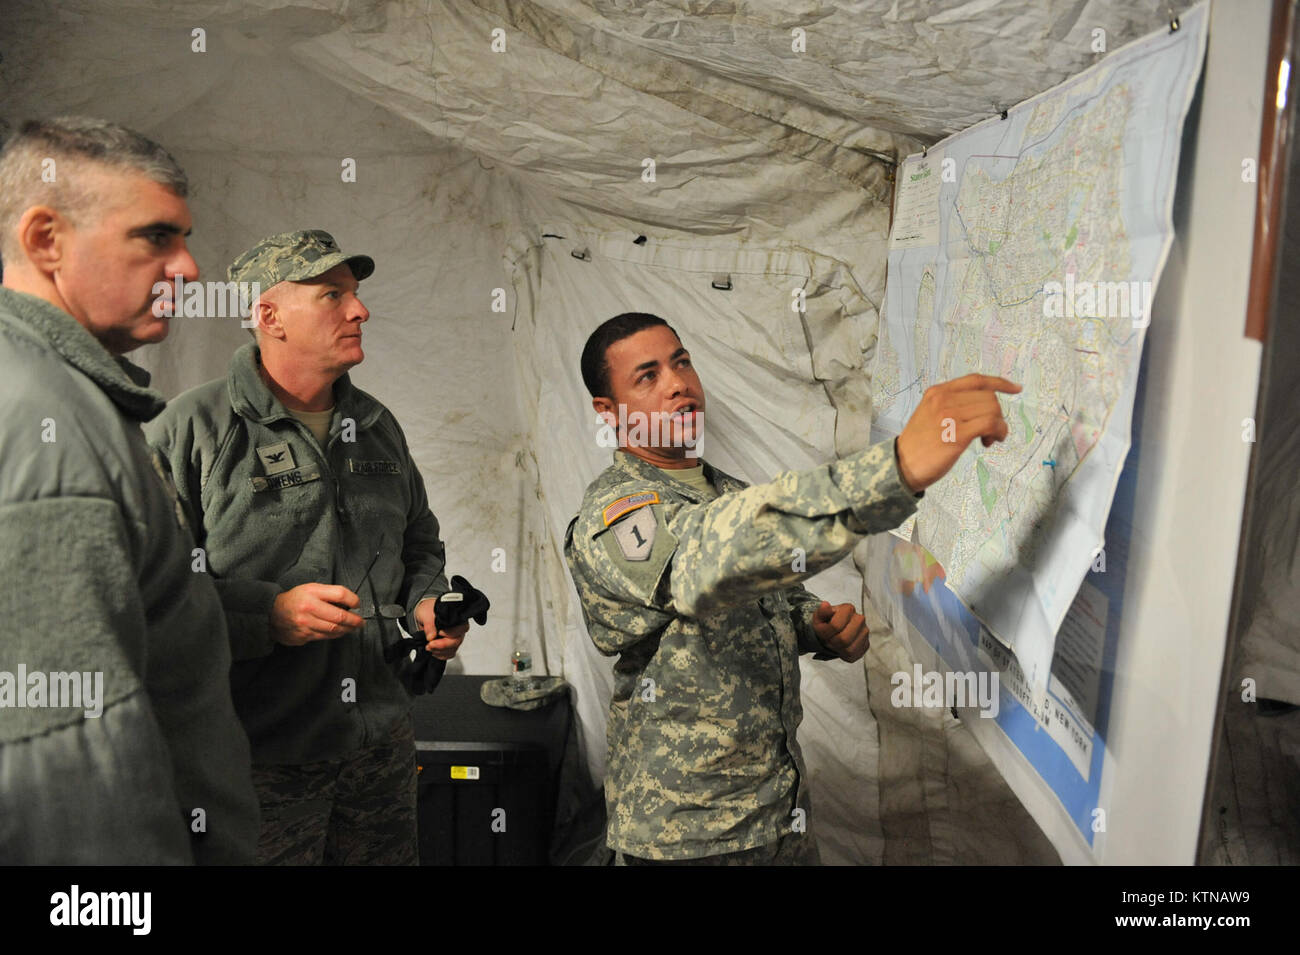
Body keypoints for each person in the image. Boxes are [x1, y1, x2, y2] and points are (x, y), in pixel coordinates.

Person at [564, 312, 1020, 864]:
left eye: (680, 361)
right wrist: (896, 467)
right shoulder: (614, 516)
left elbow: (752, 595)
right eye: (647, 376)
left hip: (778, 817)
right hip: (687, 838)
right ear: (607, 413)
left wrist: (813, 625)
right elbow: (709, 564)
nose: (678, 382)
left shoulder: (721, 490)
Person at [147, 230, 471, 865]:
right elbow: (151, 591)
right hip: (254, 753)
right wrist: (267, 614)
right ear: (270, 317)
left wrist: (427, 604)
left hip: (378, 745)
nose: (360, 311)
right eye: (332, 295)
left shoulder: (376, 426)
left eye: (355, 294)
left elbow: (418, 542)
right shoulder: (195, 431)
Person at [0, 116, 259, 863]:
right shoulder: (44, 418)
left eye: (185, 237)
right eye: (155, 238)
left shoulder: (62, 395)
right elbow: (66, 760)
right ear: (46, 239)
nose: (189, 268)